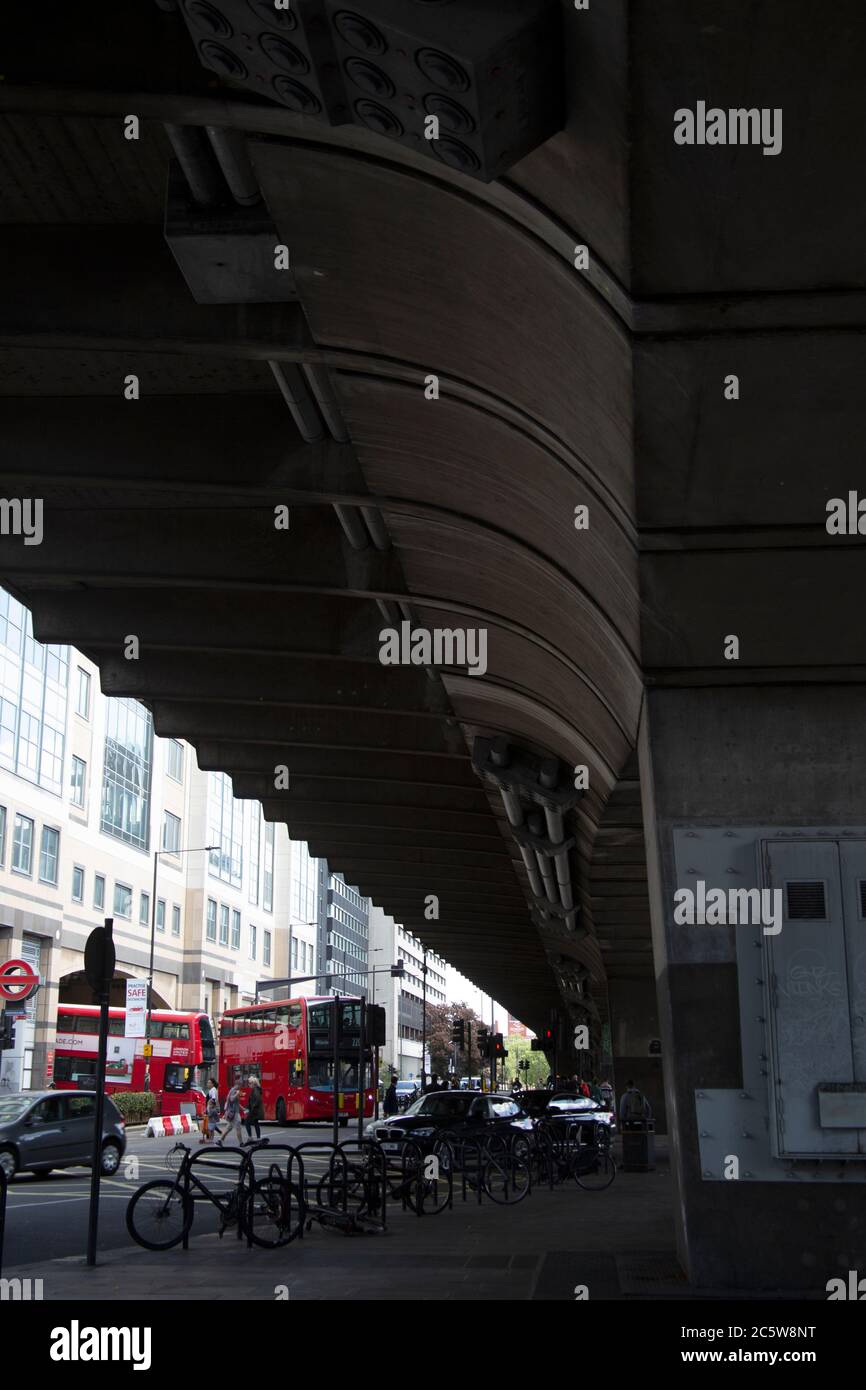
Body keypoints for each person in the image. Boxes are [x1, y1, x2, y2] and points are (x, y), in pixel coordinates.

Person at [217, 1079, 244, 1146]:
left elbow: (236, 1103)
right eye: (241, 1085)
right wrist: (237, 1094)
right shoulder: (234, 1091)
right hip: (234, 1113)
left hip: (233, 1112)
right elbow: (231, 1099)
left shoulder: (234, 1090)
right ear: (238, 1084)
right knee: (238, 1127)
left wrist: (243, 1109)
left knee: (229, 1127)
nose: (241, 1087)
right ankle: (241, 1143)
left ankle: (220, 1140)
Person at [244, 1075, 263, 1142]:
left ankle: (250, 1137)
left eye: (249, 1083)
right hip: (256, 1110)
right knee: (255, 1123)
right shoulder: (256, 1089)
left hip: (254, 1111)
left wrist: (252, 1108)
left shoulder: (255, 1090)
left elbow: (257, 1100)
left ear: (253, 1083)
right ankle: (258, 1138)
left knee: (246, 1122)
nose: (249, 1085)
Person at [202, 1076, 220, 1143]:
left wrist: (209, 1107)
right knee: (210, 1125)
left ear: (212, 1084)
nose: (208, 1084)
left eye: (209, 1083)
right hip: (209, 1109)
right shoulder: (212, 1090)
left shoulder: (213, 1090)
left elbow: (213, 1099)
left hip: (211, 1110)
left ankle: (210, 1139)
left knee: (209, 1126)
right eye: (208, 1083)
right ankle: (210, 1138)